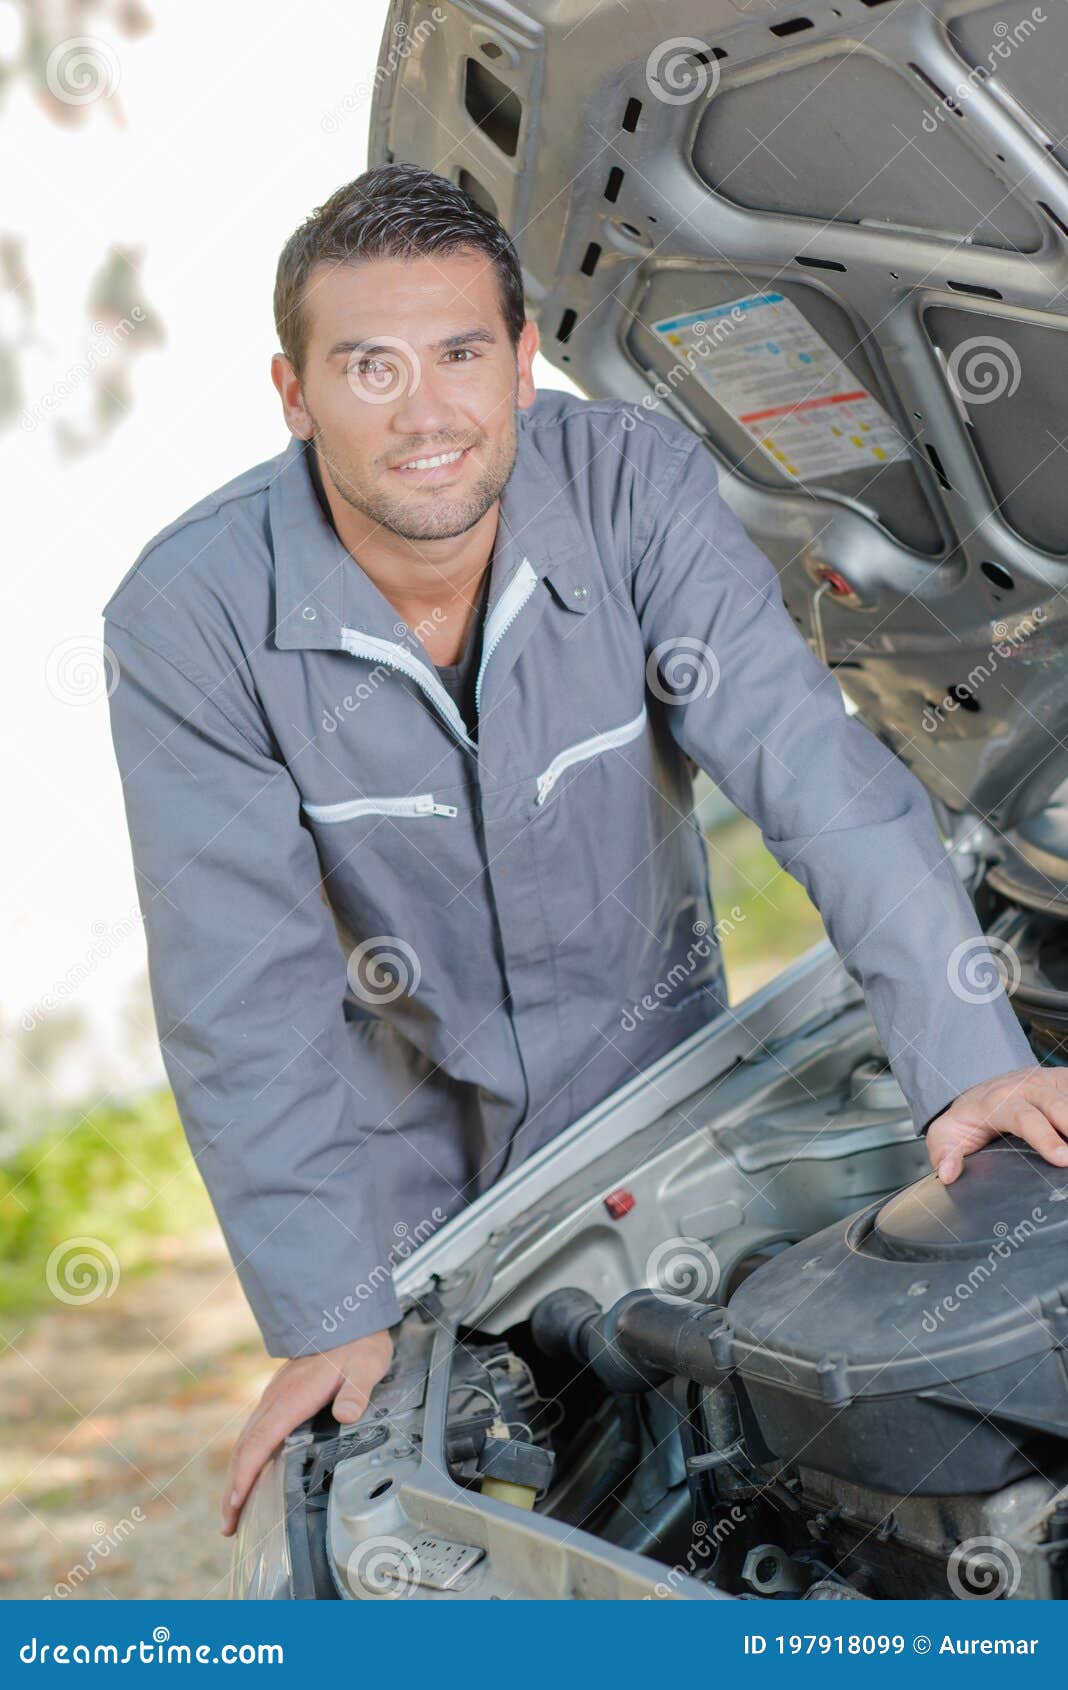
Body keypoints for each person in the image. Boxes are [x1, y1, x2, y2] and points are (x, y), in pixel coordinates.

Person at [102, 164, 1068, 1538]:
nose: (424, 412)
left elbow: (812, 767)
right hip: (407, 1188)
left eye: (458, 355)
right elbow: (232, 983)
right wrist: (326, 1308)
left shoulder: (635, 488)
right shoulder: (191, 616)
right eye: (367, 366)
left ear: (522, 364)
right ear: (292, 392)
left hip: (653, 1094)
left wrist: (972, 1057)